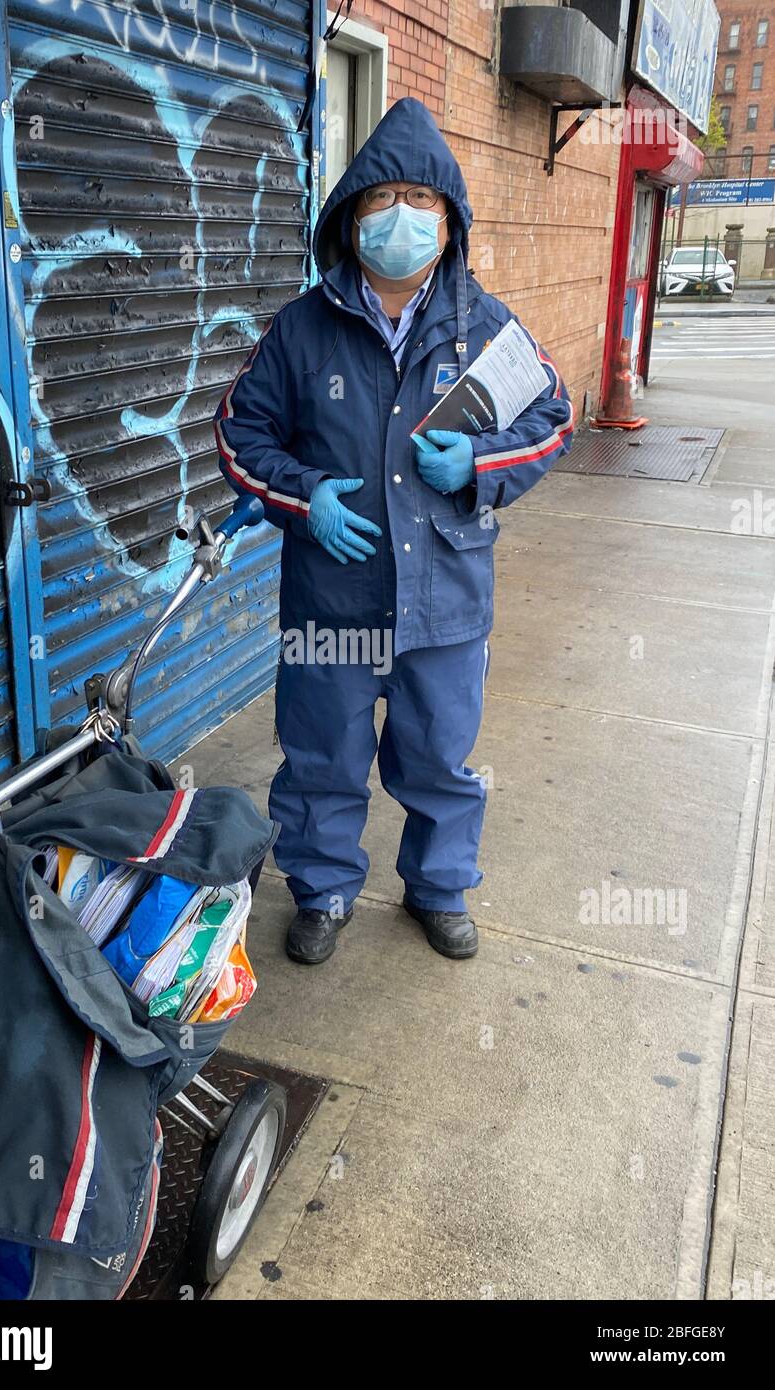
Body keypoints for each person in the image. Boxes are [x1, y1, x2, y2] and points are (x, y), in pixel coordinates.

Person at [215, 98, 573, 965]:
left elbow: (552, 419)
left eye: (423, 201)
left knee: (439, 758)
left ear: (449, 223)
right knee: (321, 756)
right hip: (331, 599)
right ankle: (323, 888)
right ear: (350, 215)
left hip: (445, 599)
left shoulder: (483, 325)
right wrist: (305, 498)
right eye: (382, 200)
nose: (402, 219)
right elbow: (239, 434)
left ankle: (439, 888)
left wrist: (481, 466)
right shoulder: (302, 328)